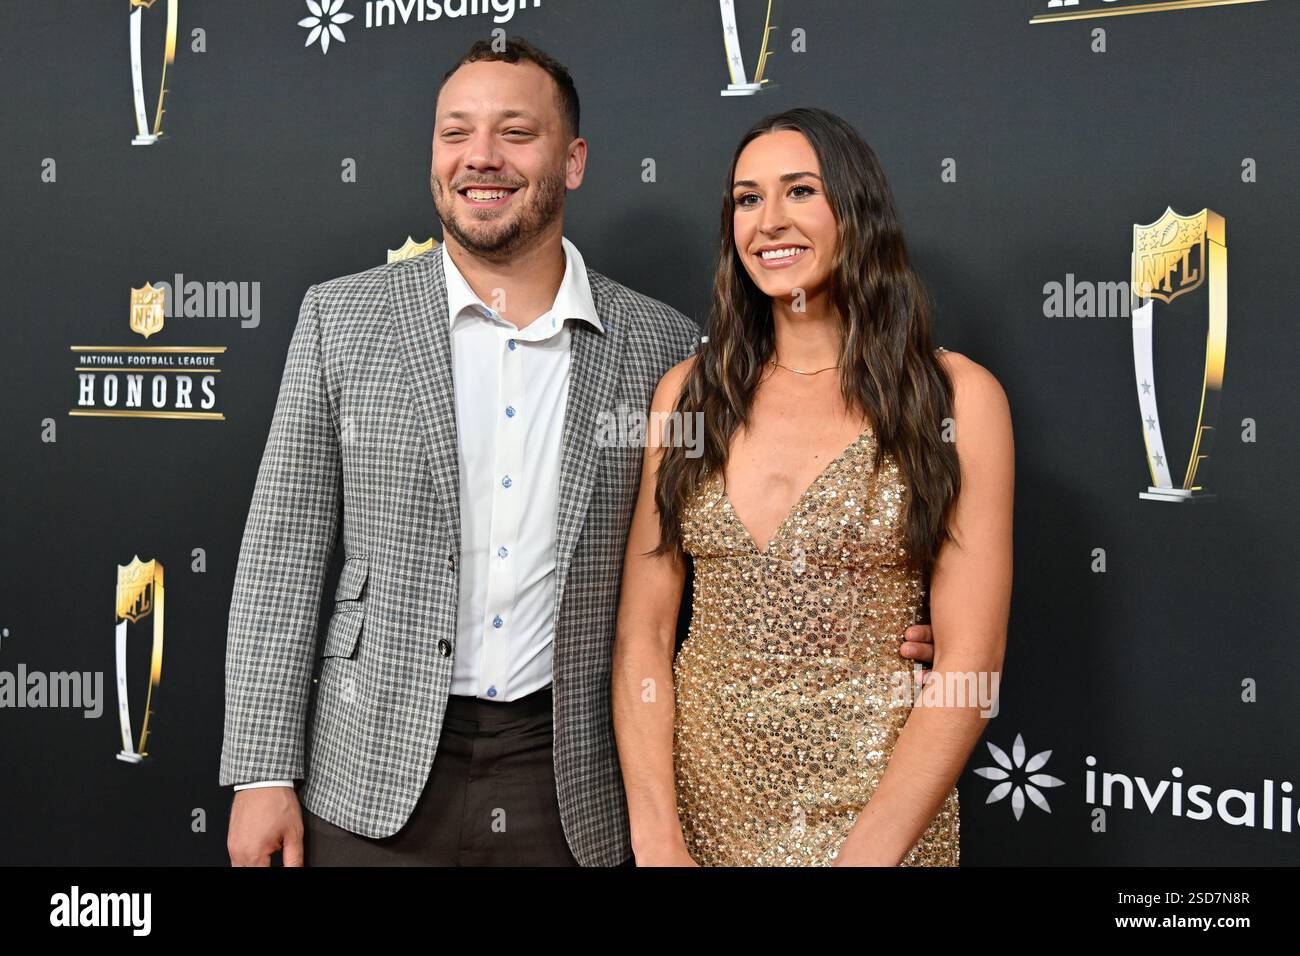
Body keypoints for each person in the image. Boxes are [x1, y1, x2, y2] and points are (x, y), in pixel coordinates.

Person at [221, 40, 938, 867]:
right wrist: (263, 771)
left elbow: (717, 553)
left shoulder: (663, 351)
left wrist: (871, 622)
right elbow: (281, 560)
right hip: (368, 765)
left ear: (573, 161)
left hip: (571, 782)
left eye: (515, 133)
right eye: (456, 133)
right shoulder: (341, 321)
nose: (480, 158)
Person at [612, 107, 1013, 866]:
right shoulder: (688, 397)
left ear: (855, 210)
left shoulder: (955, 400)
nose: (769, 221)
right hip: (702, 811)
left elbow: (970, 665)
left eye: (800, 191)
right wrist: (658, 838)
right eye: (747, 198)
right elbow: (644, 635)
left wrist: (866, 858)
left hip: (881, 810)